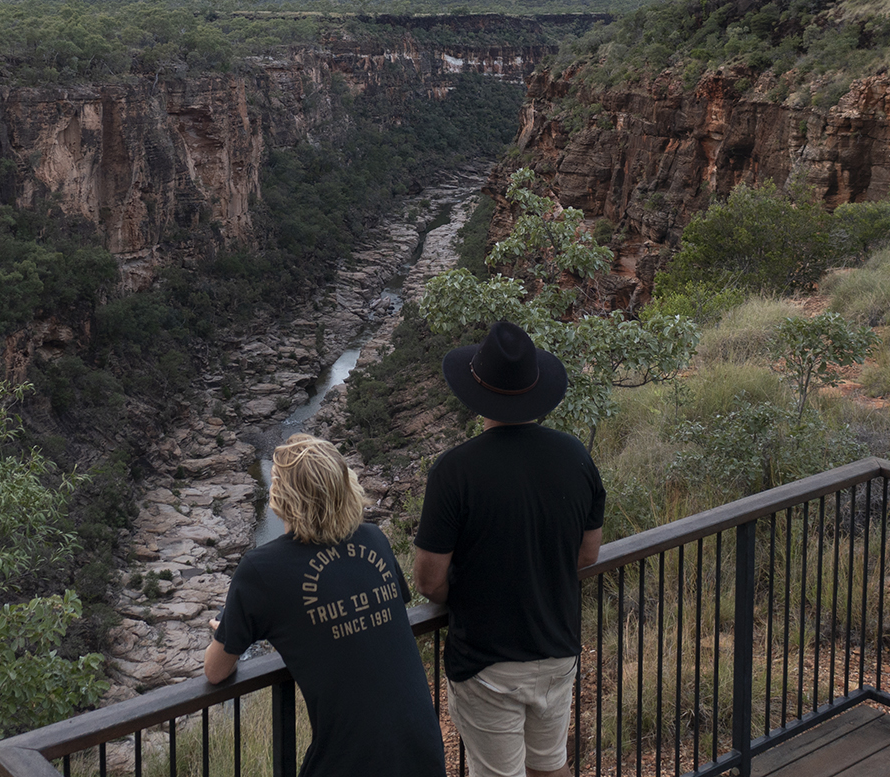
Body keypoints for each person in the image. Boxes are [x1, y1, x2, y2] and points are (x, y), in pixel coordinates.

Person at [412, 320, 605, 777]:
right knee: (551, 766)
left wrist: (465, 588)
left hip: (487, 661)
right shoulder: (576, 456)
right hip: (558, 648)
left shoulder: (453, 471)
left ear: (478, 394)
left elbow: (428, 580)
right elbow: (588, 555)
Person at [204, 433, 444, 777]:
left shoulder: (260, 569)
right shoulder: (373, 538)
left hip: (350, 761)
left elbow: (215, 672)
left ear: (281, 496)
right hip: (422, 748)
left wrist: (226, 629)